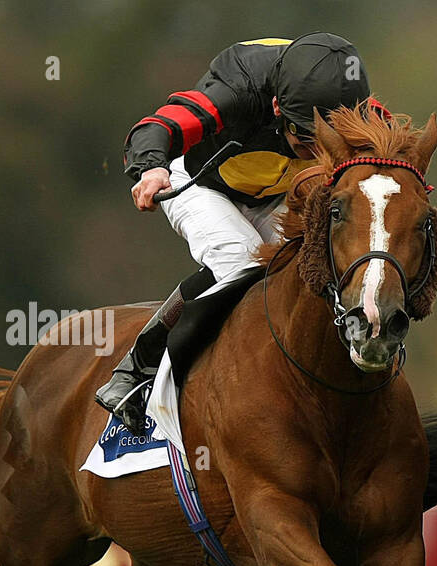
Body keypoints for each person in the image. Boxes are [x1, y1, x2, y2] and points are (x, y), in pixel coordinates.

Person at [98, 33, 380, 435]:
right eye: (307, 137)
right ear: (277, 106)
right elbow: (155, 126)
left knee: (308, 272)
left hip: (275, 192)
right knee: (241, 258)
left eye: (328, 141)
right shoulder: (239, 86)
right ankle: (137, 368)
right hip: (198, 179)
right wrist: (151, 167)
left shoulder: (362, 110)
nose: (318, 150)